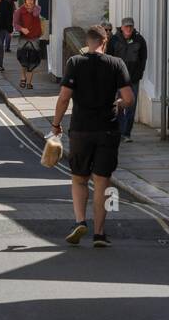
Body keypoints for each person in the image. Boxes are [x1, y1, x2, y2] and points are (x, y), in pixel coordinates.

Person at [51, 26, 133, 247]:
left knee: (79, 178)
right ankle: (99, 234)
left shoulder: (75, 63)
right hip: (108, 130)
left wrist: (56, 124)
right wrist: (118, 104)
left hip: (81, 130)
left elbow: (64, 98)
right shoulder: (116, 64)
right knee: (101, 182)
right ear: (105, 42)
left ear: (87, 43)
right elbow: (128, 97)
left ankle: (79, 221)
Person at [110, 17, 148, 143]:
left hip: (133, 79)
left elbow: (143, 59)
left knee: (131, 105)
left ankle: (127, 133)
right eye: (126, 26)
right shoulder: (114, 40)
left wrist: (139, 74)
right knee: (119, 105)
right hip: (118, 79)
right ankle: (120, 131)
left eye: (130, 26)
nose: (128, 29)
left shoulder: (140, 40)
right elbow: (109, 58)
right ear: (122, 28)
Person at [14, 0, 43, 91]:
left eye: (32, 0)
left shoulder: (37, 8)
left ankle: (29, 82)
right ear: (25, 0)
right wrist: (22, 29)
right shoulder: (19, 11)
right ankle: (23, 77)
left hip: (35, 38)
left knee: (33, 61)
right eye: (28, 0)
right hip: (24, 39)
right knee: (23, 60)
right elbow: (15, 24)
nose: (30, 2)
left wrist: (31, 9)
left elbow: (35, 14)